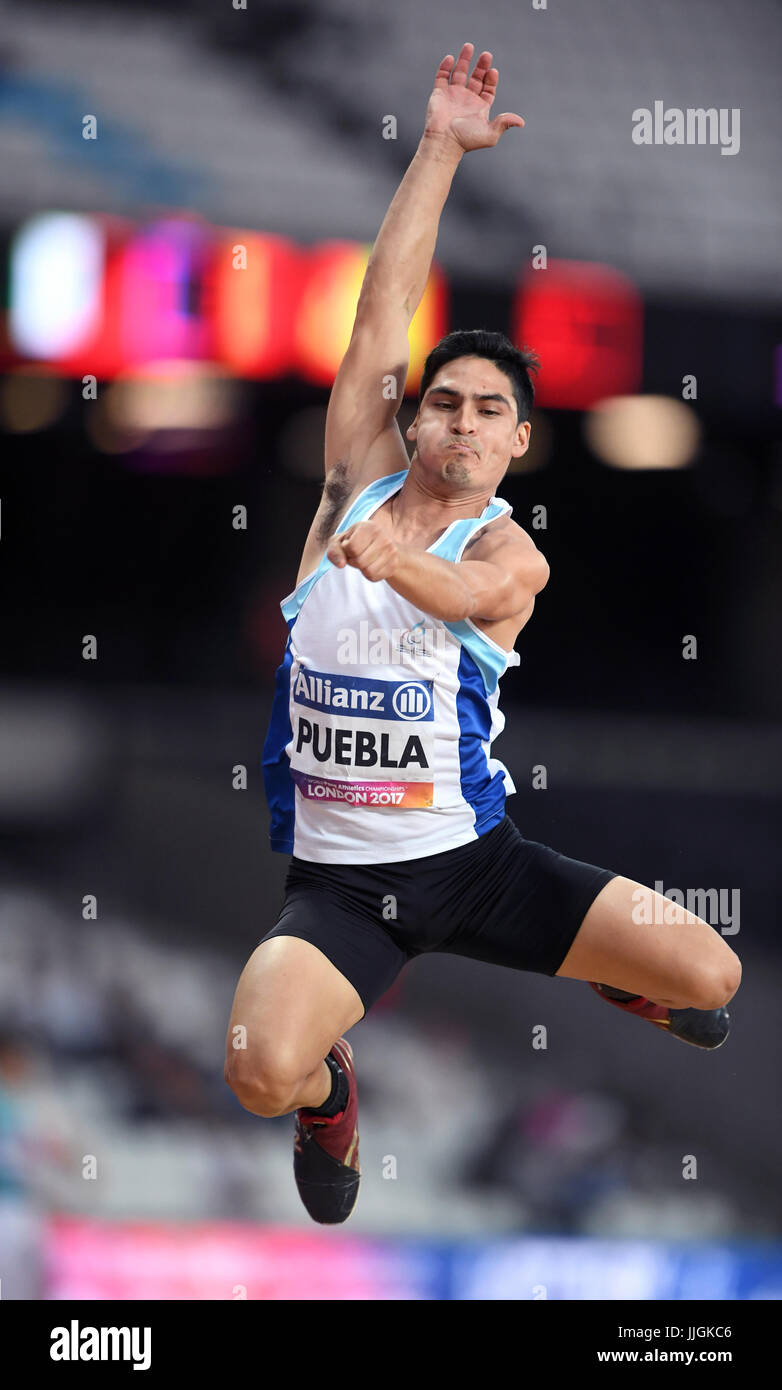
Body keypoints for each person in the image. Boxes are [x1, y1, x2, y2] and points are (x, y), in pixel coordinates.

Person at [225, 42, 741, 1225]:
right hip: (343, 893)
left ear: (516, 442)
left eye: (490, 410)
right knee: (257, 1062)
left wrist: (399, 561)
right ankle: (329, 1092)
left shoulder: (510, 553)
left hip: (482, 865)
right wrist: (442, 150)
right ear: (411, 419)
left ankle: (619, 977)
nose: (461, 419)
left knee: (710, 977)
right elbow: (382, 310)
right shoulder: (348, 491)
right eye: (443, 400)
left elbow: (458, 603)